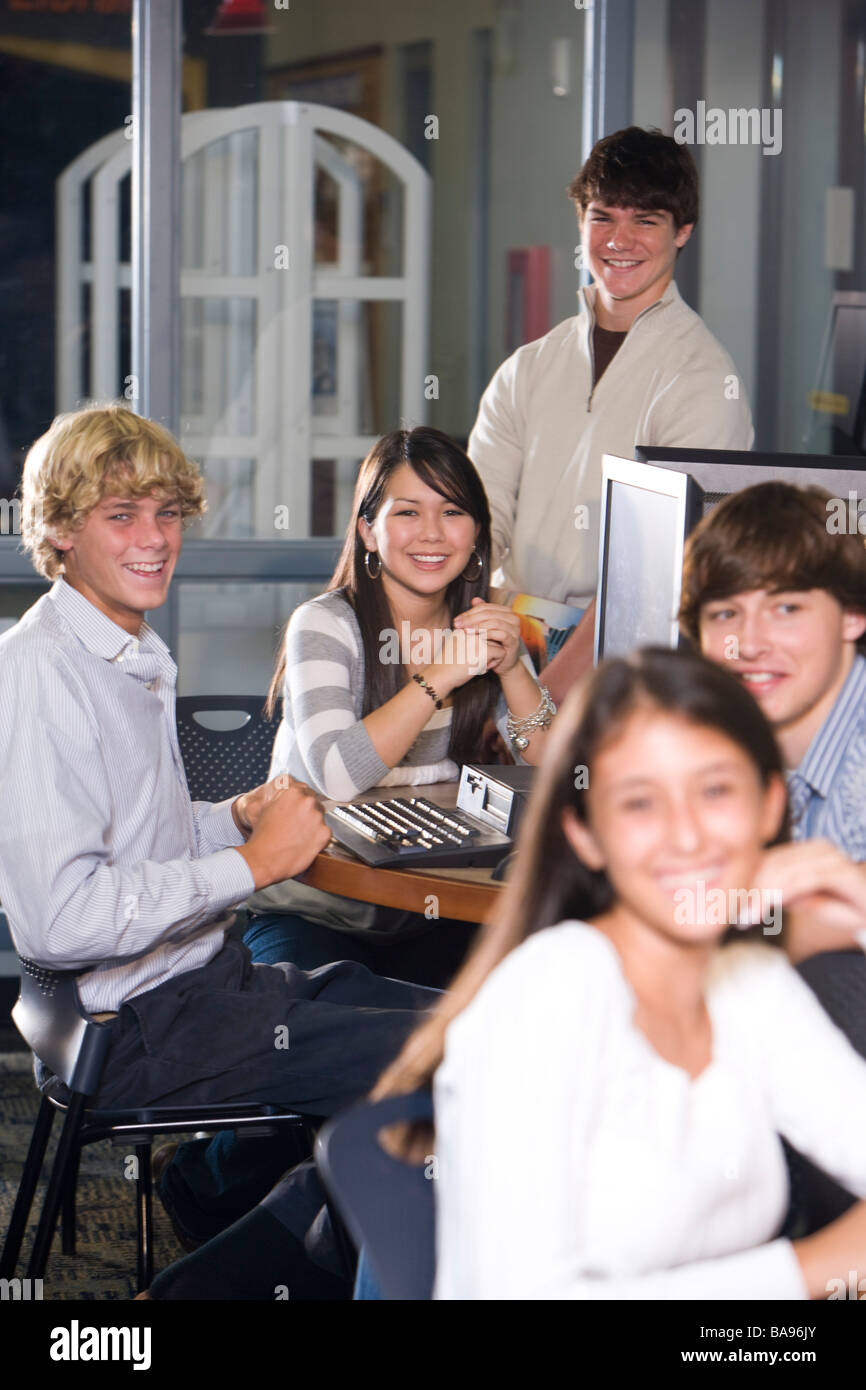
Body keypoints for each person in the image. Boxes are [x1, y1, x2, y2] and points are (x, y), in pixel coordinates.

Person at [0, 402, 439, 1274]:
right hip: (140, 1024)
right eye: (120, 516)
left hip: (202, 982)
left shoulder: (123, 647)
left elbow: (136, 845)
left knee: (462, 1025)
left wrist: (230, 817)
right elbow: (60, 922)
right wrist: (249, 865)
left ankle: (231, 1206)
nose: (154, 538)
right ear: (58, 532)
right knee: (451, 1072)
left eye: (167, 514)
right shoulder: (42, 676)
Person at [373, 647, 866, 1298]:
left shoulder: (750, 982)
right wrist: (813, 1267)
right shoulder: (549, 997)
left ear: (771, 805)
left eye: (716, 790)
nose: (686, 836)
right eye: (639, 803)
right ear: (585, 834)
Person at [242, 425, 553, 986]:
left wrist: (512, 671)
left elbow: (557, 770)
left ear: (477, 532)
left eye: (453, 512)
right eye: (407, 512)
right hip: (312, 906)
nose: (431, 534)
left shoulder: (485, 625)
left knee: (527, 994)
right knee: (329, 1033)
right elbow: (338, 774)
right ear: (368, 530)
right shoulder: (324, 625)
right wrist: (442, 674)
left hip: (431, 909)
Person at [468, 126, 754, 702]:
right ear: (581, 222)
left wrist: (542, 699)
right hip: (506, 655)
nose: (620, 240)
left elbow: (654, 572)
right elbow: (478, 521)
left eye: (645, 220)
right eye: (603, 217)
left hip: (627, 674)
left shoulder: (701, 380)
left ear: (683, 233)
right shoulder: (528, 368)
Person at [679, 481, 866, 966]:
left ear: (853, 615)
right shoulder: (713, 742)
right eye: (725, 613)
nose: (750, 642)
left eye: (786, 608)